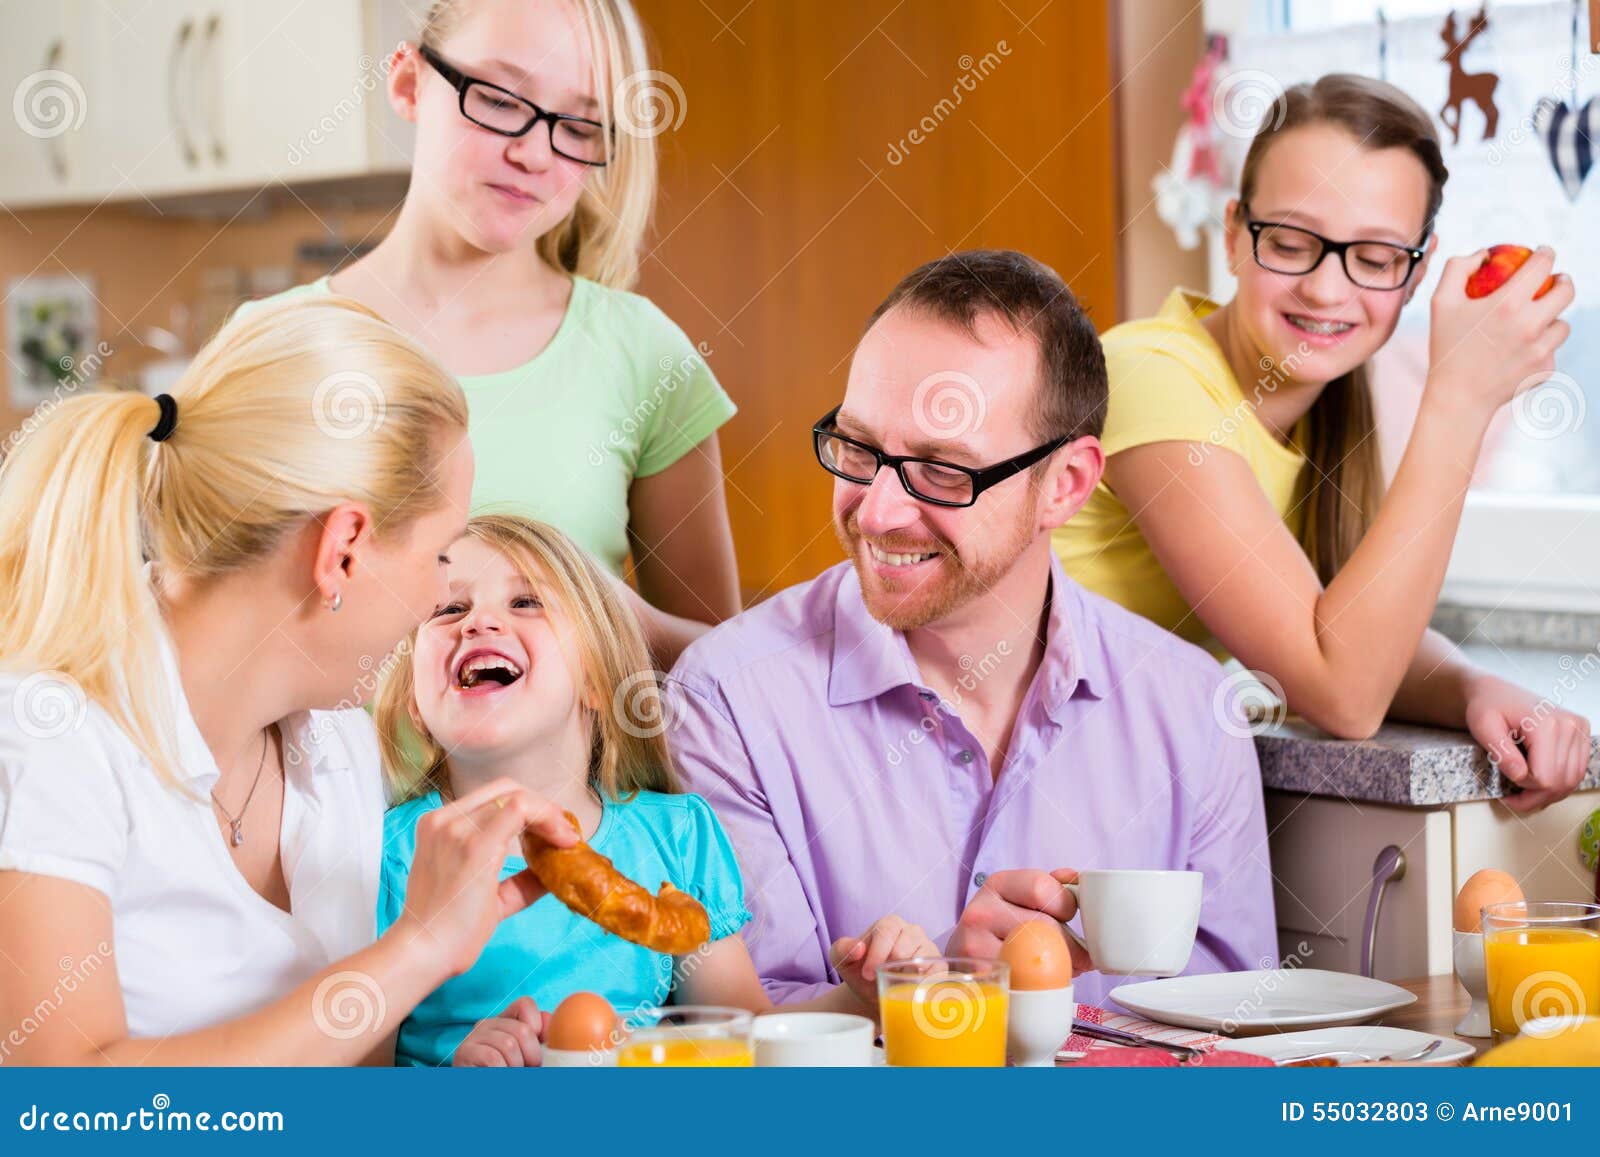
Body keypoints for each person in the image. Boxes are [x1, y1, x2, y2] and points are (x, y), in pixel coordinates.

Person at [666, 250, 1278, 1009]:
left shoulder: (1191, 710)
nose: (878, 511)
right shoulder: (728, 699)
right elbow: (738, 1046)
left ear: (1067, 485)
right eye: (858, 450)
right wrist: (941, 1001)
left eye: (943, 471)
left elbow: (1245, 1034)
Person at [0, 297, 579, 1065]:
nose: (440, 596)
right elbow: (61, 1112)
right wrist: (418, 947)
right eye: (440, 554)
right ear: (343, 549)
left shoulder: (337, 743)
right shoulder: (51, 732)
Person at [1051, 74, 1588, 812]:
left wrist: (1473, 686)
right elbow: (1344, 691)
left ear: (1415, 273)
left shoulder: (1313, 418)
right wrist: (1460, 399)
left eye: (1372, 258)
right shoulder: (1152, 380)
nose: (1328, 290)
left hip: (1114, 792)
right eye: (1295, 243)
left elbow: (1342, 626)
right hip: (1015, 791)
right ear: (1237, 235)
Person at [244, 0, 740, 666]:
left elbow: (723, 679)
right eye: (502, 100)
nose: (534, 152)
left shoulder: (644, 356)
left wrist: (611, 615)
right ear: (409, 82)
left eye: (581, 125)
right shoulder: (273, 347)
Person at [372, 515, 935, 1066]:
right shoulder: (384, 856)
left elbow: (750, 1039)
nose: (478, 623)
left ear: (596, 678)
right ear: (414, 707)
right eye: (449, 608)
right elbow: (347, 1065)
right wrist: (450, 1066)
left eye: (526, 602)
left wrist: (863, 1000)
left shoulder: (677, 838)